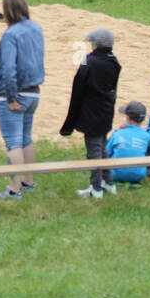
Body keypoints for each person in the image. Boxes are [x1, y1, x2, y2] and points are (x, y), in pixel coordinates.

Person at [0, 0, 45, 200]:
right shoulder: (36, 28)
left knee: (13, 142)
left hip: (15, 95)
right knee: (26, 139)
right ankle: (28, 182)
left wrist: (11, 97)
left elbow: (8, 68)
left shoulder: (10, 35)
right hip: (34, 92)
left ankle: (14, 189)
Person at [58, 28, 122, 199]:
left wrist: (69, 123)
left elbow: (77, 90)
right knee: (102, 149)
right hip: (106, 112)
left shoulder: (89, 61)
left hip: (91, 113)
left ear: (95, 44)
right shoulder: (114, 62)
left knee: (93, 151)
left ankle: (96, 188)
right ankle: (108, 183)